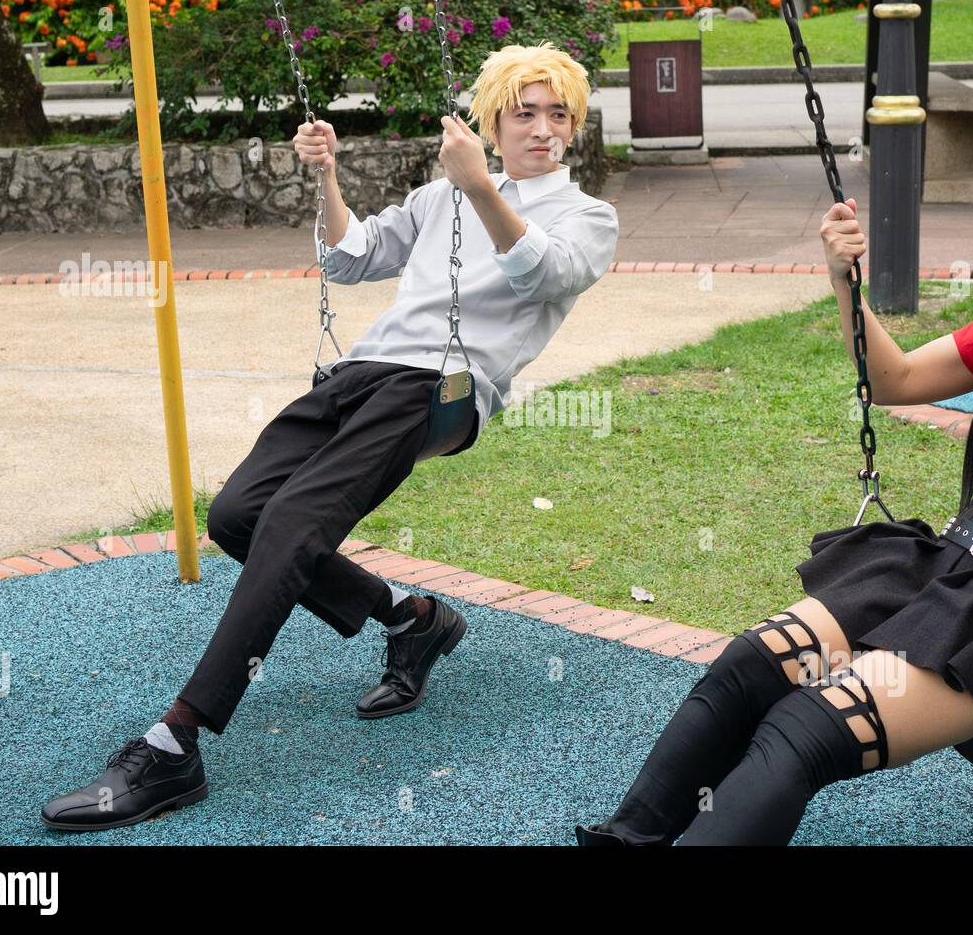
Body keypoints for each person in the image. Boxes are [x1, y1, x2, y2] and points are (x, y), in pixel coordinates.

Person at [41, 41, 619, 831]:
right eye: (525, 113)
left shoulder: (587, 217)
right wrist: (327, 175)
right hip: (360, 373)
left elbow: (540, 273)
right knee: (238, 517)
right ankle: (413, 620)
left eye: (560, 115)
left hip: (439, 389)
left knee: (294, 523)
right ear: (493, 120)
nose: (544, 129)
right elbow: (352, 258)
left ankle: (176, 742)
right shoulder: (439, 196)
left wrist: (480, 185)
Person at [577, 140, 973, 845]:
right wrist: (846, 280)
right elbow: (895, 380)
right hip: (947, 566)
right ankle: (629, 838)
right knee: (747, 668)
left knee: (805, 728)